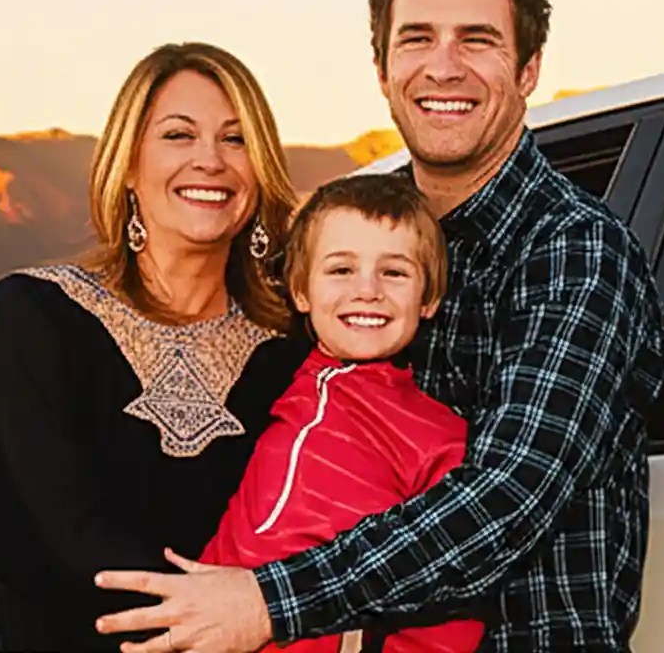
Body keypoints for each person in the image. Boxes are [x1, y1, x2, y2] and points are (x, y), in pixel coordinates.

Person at [92, 0, 664, 651]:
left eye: (478, 40)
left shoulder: (573, 252)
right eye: (417, 38)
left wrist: (268, 601)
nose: (443, 67)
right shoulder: (345, 234)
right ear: (381, 67)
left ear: (528, 69)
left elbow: (508, 496)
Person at [0, 41, 310, 652]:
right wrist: (231, 616)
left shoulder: (294, 349)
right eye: (179, 136)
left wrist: (270, 611)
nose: (211, 161)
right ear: (127, 165)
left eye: (236, 140)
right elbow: (50, 543)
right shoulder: (35, 316)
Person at [198, 174, 485, 653]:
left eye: (394, 273)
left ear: (429, 298)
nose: (367, 290)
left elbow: (452, 615)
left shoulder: (441, 438)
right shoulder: (273, 380)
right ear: (301, 292)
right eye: (341, 270)